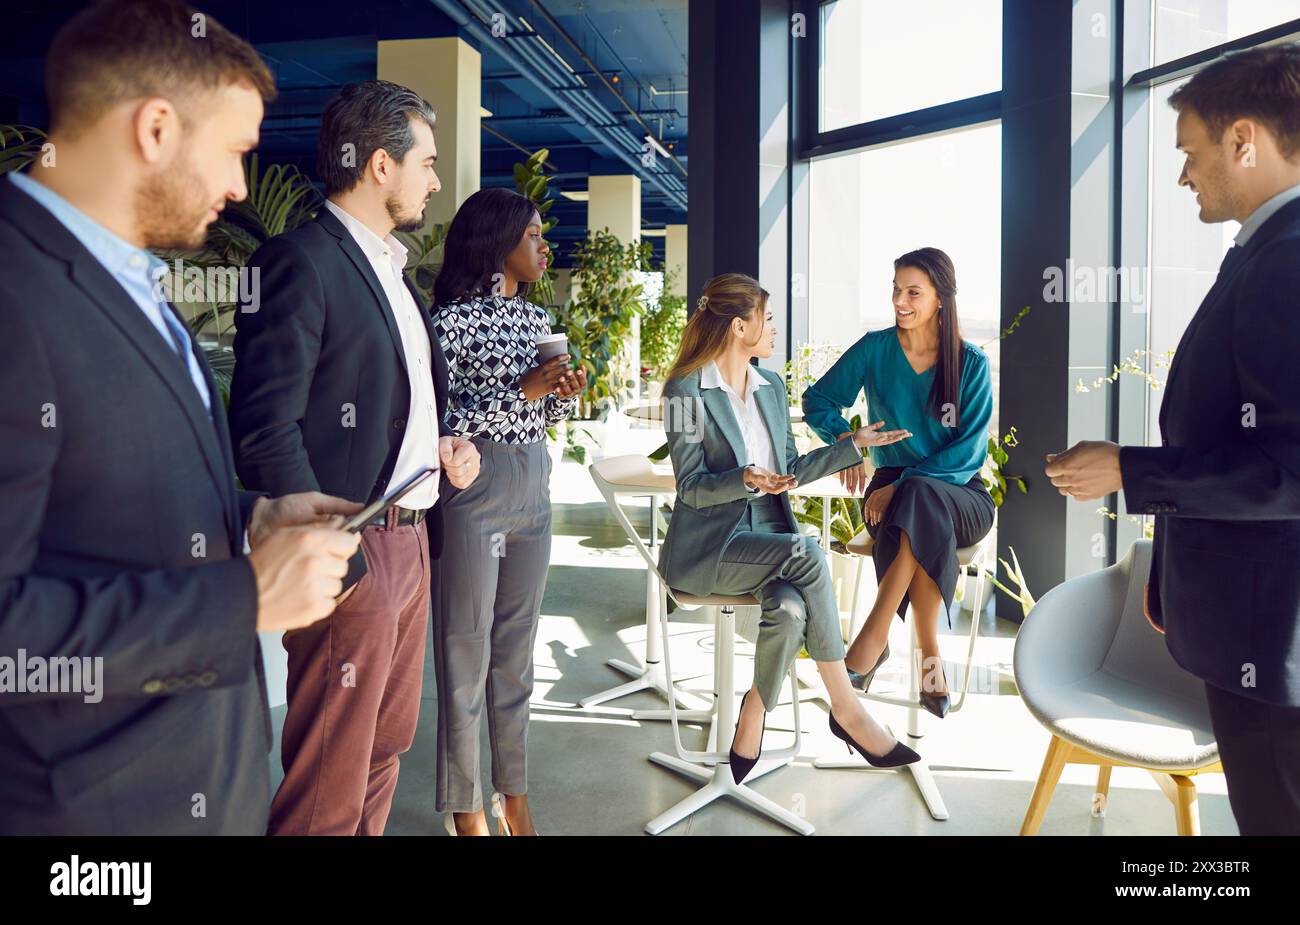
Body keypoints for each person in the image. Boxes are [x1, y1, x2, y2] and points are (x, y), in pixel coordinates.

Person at [0, 0, 361, 835]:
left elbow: (99, 499)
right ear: (155, 128)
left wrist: (248, 519)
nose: (242, 187)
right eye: (236, 151)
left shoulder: (133, 278)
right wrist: (240, 601)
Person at [1045, 45, 1300, 835]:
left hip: (1273, 641)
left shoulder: (1284, 261)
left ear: (1243, 140)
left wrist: (1128, 469)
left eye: (1190, 152)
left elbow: (1286, 470)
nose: (1184, 175)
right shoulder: (1266, 250)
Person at [228, 79, 481, 836]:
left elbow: (380, 402)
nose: (437, 180)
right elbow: (265, 422)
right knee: (329, 772)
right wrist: (327, 549)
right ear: (379, 164)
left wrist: (435, 450)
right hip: (354, 546)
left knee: (383, 748)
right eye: (427, 162)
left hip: (411, 538)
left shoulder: (395, 271)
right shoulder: (300, 261)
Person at [659, 272, 921, 784]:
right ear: (739, 326)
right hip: (709, 550)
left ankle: (754, 709)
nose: (774, 329)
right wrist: (745, 479)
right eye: (767, 319)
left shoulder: (770, 388)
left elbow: (791, 470)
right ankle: (846, 707)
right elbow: (690, 486)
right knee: (807, 551)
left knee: (791, 606)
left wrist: (854, 443)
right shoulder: (685, 391)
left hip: (766, 542)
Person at [430, 187, 584, 836]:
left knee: (516, 657)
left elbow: (547, 415)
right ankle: (465, 804)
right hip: (473, 488)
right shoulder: (447, 323)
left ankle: (512, 790)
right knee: (465, 650)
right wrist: (524, 389)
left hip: (533, 488)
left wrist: (562, 393)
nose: (544, 246)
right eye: (533, 235)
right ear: (497, 243)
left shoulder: (539, 322)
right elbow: (437, 425)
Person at [802, 248, 994, 718]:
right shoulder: (875, 348)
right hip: (893, 489)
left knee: (919, 496)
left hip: (961, 493)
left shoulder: (970, 363)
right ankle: (930, 657)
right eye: (895, 289)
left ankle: (874, 635)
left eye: (913, 292)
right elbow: (817, 399)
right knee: (917, 506)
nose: (900, 301)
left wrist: (905, 481)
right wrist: (848, 441)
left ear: (940, 299)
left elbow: (969, 452)